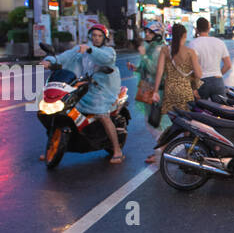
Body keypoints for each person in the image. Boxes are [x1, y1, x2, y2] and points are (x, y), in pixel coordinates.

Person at [43, 24, 124, 162]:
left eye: (99, 36)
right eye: (94, 35)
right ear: (90, 37)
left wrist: (91, 50)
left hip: (101, 91)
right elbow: (64, 57)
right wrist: (49, 61)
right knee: (60, 109)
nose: (96, 38)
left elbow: (107, 59)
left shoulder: (108, 51)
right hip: (83, 87)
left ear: (104, 38)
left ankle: (117, 150)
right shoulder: (82, 49)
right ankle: (52, 147)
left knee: (102, 115)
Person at [153, 24, 202, 128]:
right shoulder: (190, 52)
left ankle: (172, 142)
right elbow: (198, 74)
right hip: (185, 90)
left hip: (170, 89)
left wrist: (155, 91)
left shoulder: (165, 50)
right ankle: (184, 142)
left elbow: (159, 71)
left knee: (173, 121)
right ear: (184, 35)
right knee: (186, 124)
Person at [133, 23, 164, 163]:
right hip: (146, 86)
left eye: (150, 33)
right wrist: (136, 68)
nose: (147, 35)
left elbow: (155, 70)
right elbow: (146, 68)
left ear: (157, 34)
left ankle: (161, 150)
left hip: (154, 88)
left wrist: (144, 56)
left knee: (153, 121)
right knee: (150, 120)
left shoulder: (158, 49)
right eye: (146, 32)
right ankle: (160, 149)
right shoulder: (150, 48)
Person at [192, 16, 231, 99]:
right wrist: (218, 74)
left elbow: (191, 68)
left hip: (201, 82)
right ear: (209, 28)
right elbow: (228, 65)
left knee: (200, 109)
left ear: (197, 29)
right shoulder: (219, 42)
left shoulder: (193, 44)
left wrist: (193, 87)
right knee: (220, 109)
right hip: (218, 80)